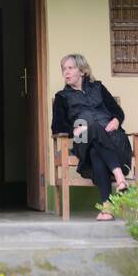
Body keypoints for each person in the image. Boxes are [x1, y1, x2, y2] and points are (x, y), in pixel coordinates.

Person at [51, 53, 133, 221]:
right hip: (82, 140)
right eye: (63, 69)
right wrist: (73, 131)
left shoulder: (98, 88)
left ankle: (107, 208)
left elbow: (118, 112)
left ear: (82, 71)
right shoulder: (62, 97)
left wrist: (116, 120)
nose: (66, 72)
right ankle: (120, 178)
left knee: (96, 152)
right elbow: (57, 126)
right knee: (93, 129)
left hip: (113, 139)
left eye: (70, 68)